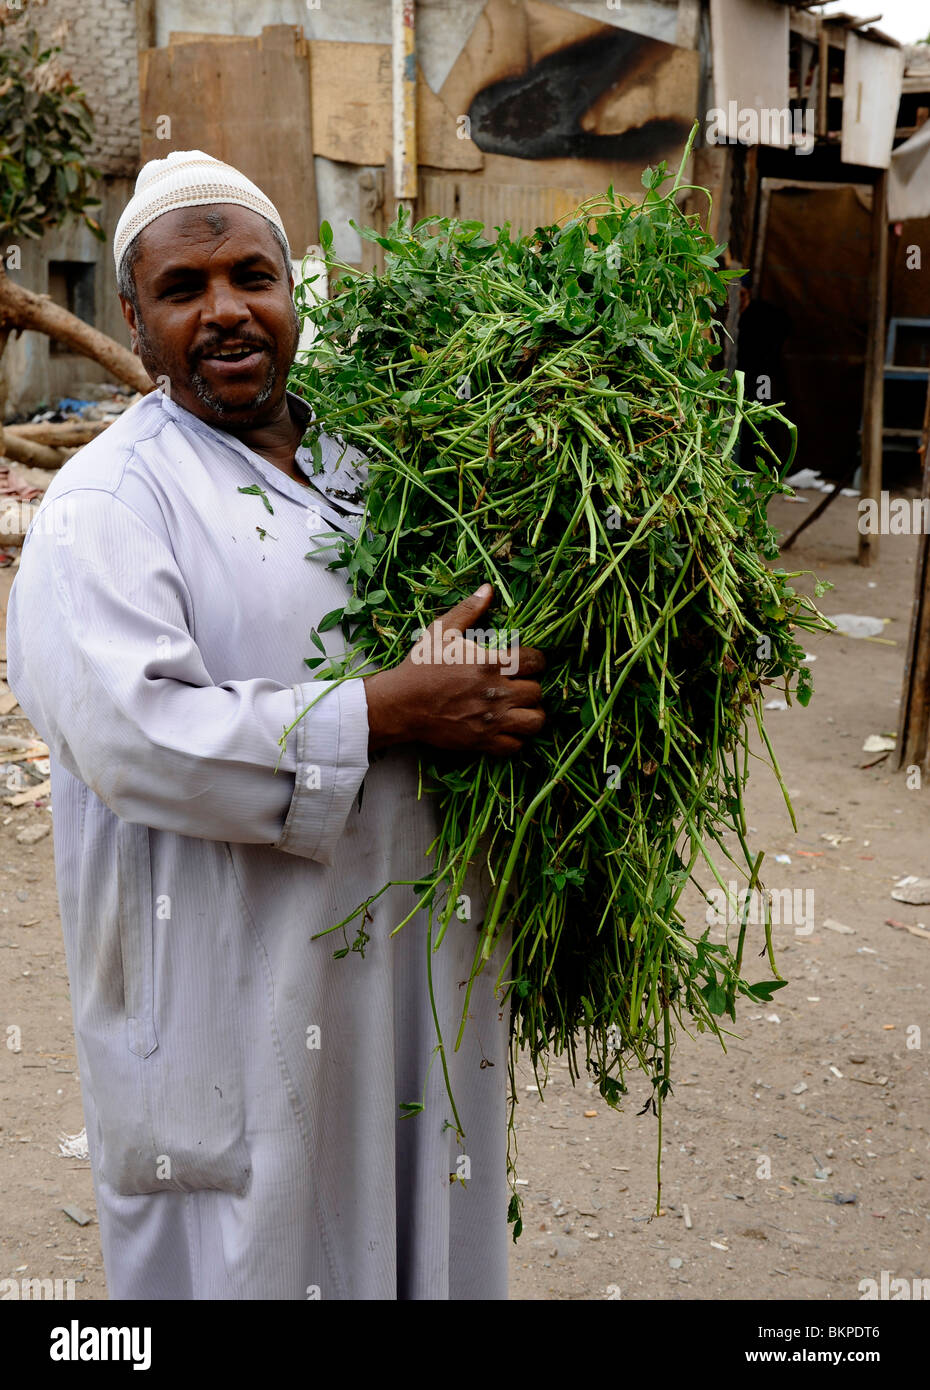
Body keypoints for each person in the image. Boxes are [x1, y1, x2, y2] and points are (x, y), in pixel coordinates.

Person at [6, 151, 546, 1300]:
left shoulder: (373, 464)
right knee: (250, 1258)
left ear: (292, 288)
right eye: (183, 288)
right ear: (135, 321)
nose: (225, 311)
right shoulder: (107, 505)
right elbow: (137, 738)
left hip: (403, 970)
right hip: (227, 991)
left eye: (252, 275)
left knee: (411, 1225)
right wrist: (391, 709)